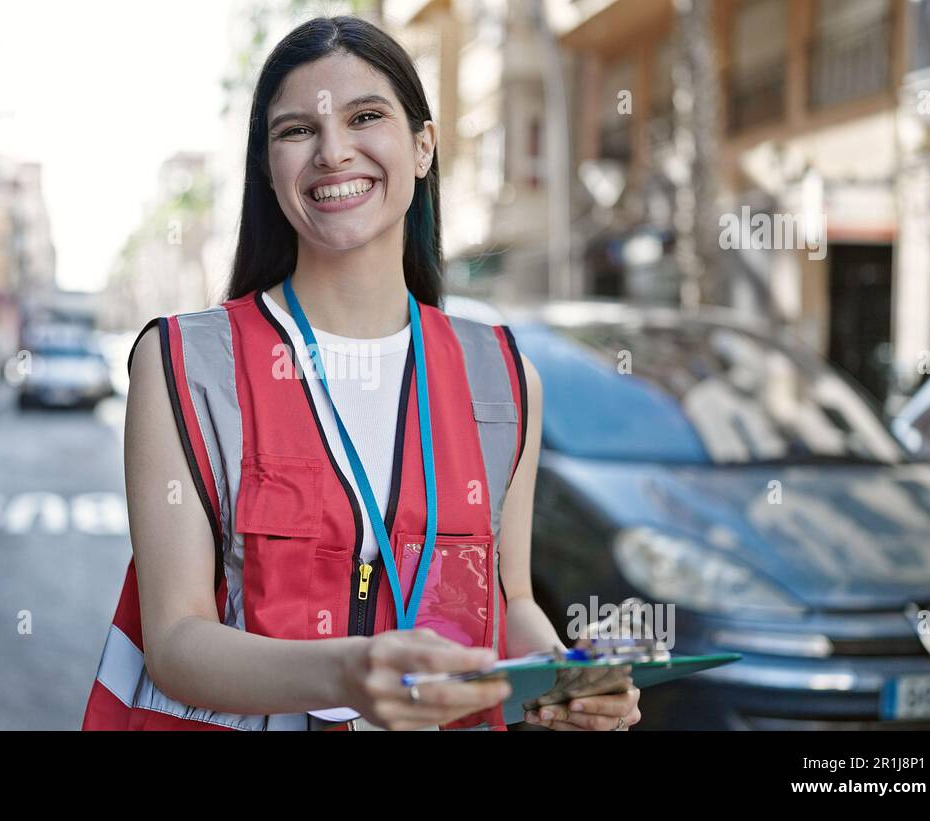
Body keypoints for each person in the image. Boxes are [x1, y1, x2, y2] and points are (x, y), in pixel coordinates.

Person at [82, 15, 642, 731]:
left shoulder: (504, 378)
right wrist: (347, 672)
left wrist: (563, 680)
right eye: (296, 131)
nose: (333, 151)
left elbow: (512, 599)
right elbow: (175, 640)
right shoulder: (183, 364)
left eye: (365, 117)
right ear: (268, 168)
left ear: (422, 147)